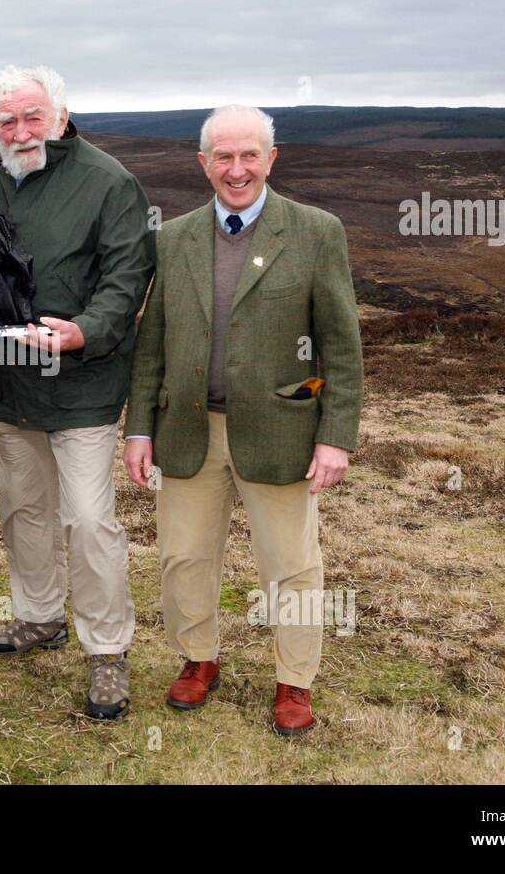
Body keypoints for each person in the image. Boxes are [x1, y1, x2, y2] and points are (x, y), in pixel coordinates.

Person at [124, 104, 364, 735]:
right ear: (203, 164)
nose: (237, 169)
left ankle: (295, 680)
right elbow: (153, 341)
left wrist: (336, 435)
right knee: (183, 556)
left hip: (282, 430)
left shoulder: (317, 231)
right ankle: (199, 659)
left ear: (270, 159)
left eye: (249, 155)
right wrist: (139, 427)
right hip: (187, 430)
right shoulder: (172, 238)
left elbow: (340, 344)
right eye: (223, 157)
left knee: (291, 565)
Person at [0, 65, 154, 720]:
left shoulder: (109, 181)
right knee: (23, 509)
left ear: (61, 116)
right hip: (3, 381)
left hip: (81, 381)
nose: (21, 131)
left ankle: (108, 649)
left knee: (87, 519)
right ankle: (36, 618)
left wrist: (86, 330)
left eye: (33, 117)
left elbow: (127, 274)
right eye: (7, 121)